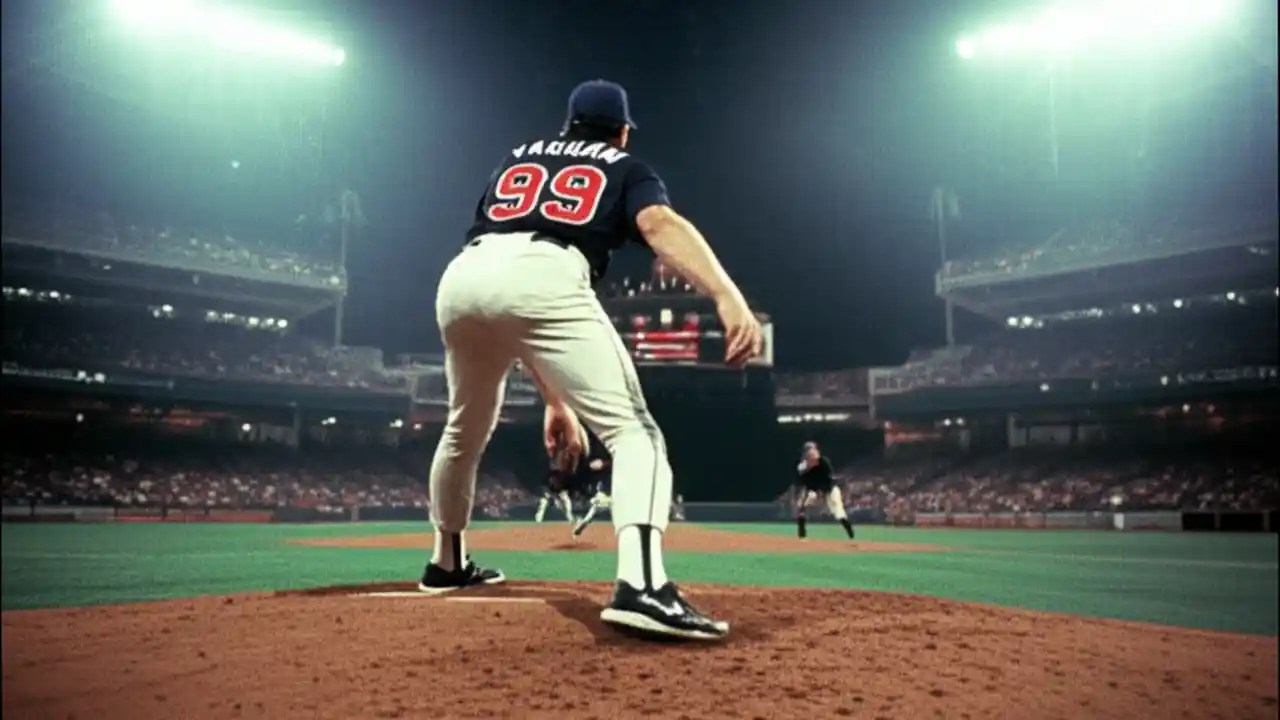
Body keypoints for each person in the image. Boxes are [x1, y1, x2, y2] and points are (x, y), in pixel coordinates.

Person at [419, 79, 763, 641]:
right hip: (546, 273)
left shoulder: (517, 156)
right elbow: (658, 225)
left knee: (463, 431)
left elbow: (507, 288)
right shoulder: (625, 164)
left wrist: (557, 401)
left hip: (462, 278)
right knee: (636, 434)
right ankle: (643, 588)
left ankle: (446, 563)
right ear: (622, 130)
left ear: (567, 125)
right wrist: (726, 294)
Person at [794, 441, 855, 540]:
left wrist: (821, 494)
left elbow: (828, 479)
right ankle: (802, 535)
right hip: (813, 489)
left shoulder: (824, 462)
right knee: (801, 508)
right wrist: (812, 494)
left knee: (838, 512)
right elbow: (805, 482)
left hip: (829, 489)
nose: (812, 454)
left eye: (813, 451)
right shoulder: (802, 467)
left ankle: (849, 530)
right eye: (809, 452)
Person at [571, 457, 612, 537]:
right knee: (595, 507)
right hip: (607, 494)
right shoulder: (607, 472)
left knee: (595, 508)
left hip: (609, 494)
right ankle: (584, 522)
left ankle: (584, 522)